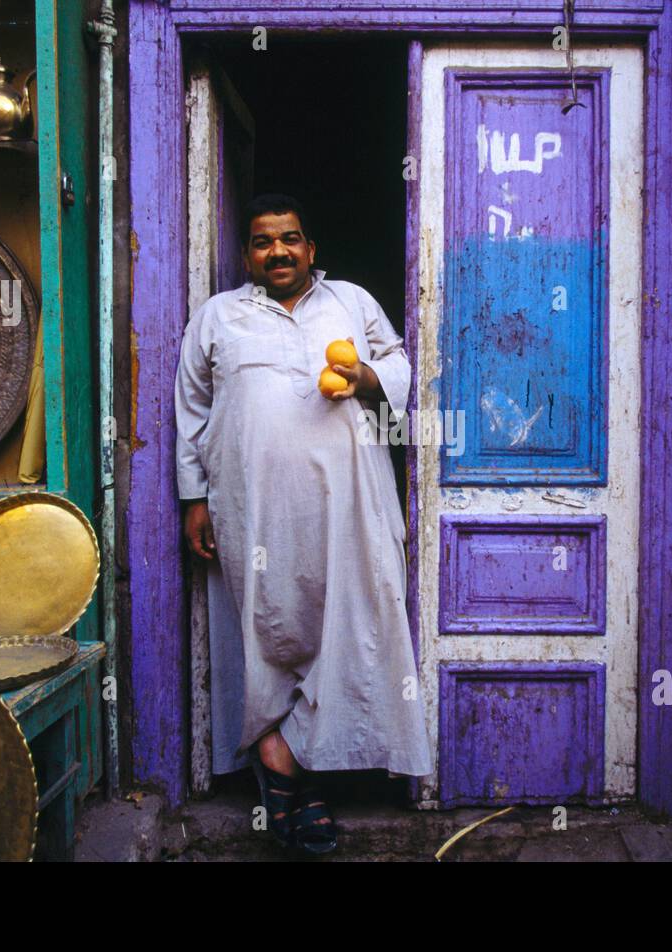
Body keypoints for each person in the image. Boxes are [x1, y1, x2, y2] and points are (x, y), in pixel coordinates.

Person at [174, 193, 432, 854]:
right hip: (253, 508)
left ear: (311, 248)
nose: (279, 251)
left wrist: (366, 377)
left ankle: (295, 764)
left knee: (347, 625)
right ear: (247, 254)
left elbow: (400, 364)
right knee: (268, 624)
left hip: (349, 503)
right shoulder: (218, 316)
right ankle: (284, 762)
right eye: (263, 242)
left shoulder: (350, 301)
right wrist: (193, 497)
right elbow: (192, 410)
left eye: (290, 239)